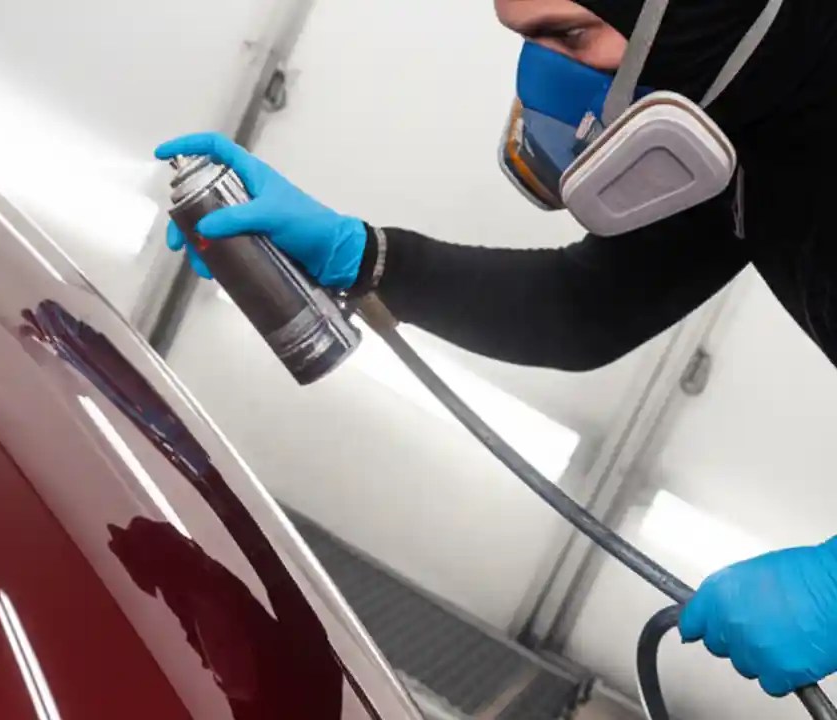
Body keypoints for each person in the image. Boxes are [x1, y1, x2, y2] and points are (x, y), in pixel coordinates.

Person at [156, 0, 837, 701]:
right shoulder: (741, 117)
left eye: (570, 35)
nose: (541, 74)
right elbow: (586, 309)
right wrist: (361, 255)